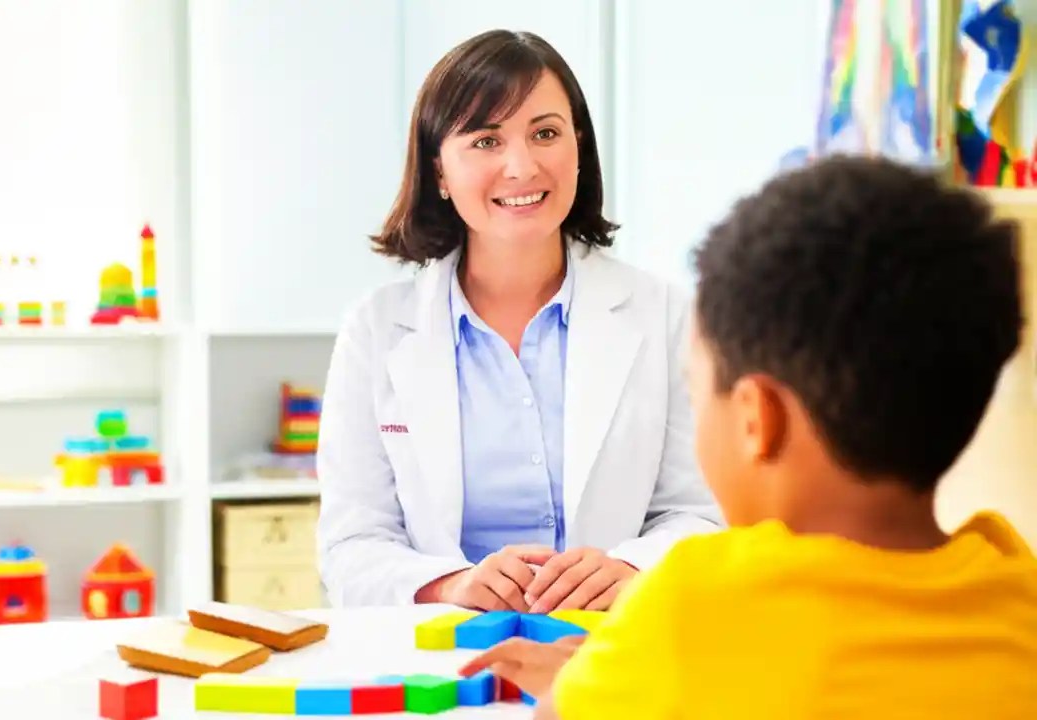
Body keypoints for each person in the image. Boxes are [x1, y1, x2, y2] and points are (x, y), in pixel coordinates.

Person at [459, 155, 1037, 718]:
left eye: (698, 386)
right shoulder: (1016, 586)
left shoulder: (694, 604)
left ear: (758, 420)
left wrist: (607, 667)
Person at [315, 28, 723, 612]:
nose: (520, 166)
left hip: (609, 650)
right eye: (485, 141)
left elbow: (704, 512)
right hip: (441, 655)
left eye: (546, 133)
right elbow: (352, 545)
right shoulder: (377, 331)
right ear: (439, 172)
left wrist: (631, 567)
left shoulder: (665, 315)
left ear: (578, 146)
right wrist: (450, 585)